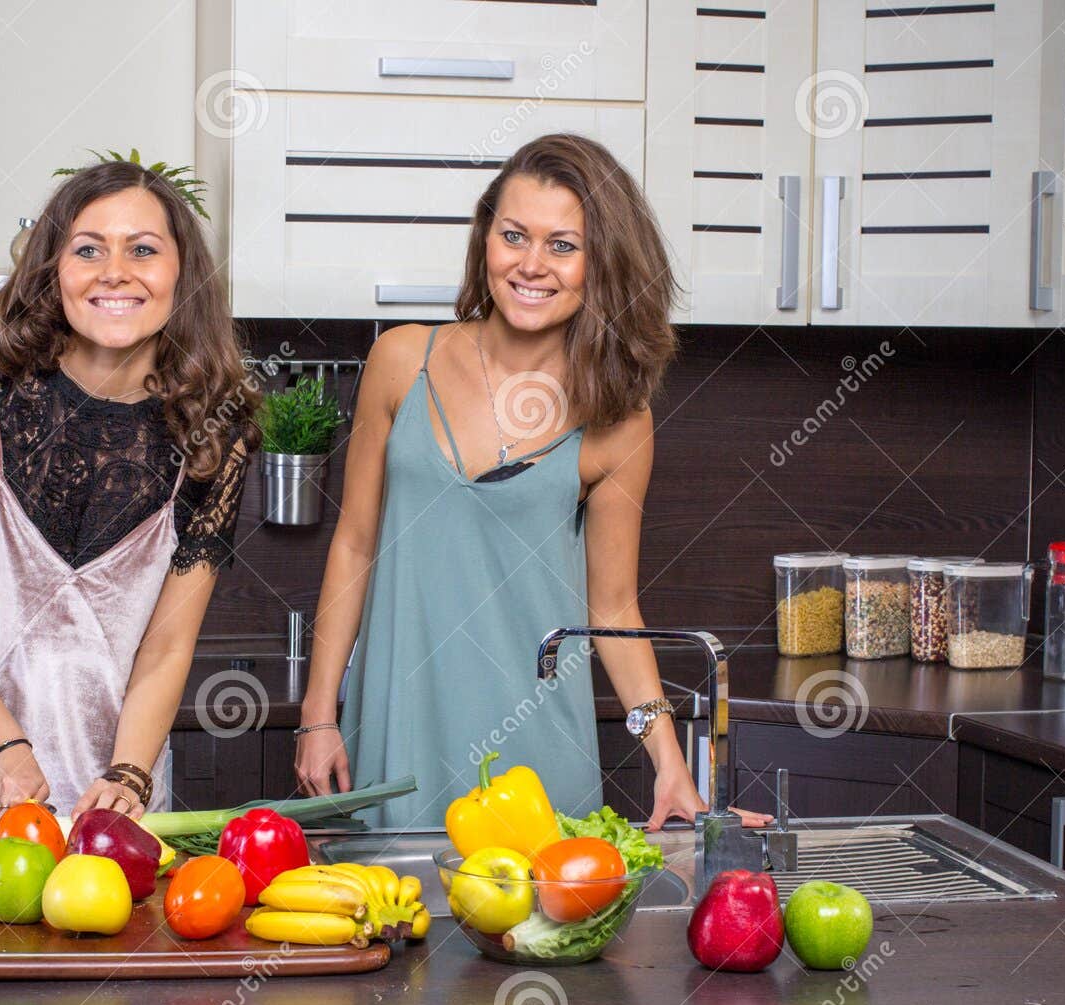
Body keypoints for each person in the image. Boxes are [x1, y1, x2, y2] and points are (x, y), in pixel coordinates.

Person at [295, 133, 770, 832]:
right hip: (397, 734)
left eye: (563, 245)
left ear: (600, 265)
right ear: (485, 238)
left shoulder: (618, 420)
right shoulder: (401, 362)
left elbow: (612, 609)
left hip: (537, 760)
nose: (531, 265)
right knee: (396, 929)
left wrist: (669, 760)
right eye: (514, 235)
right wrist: (316, 715)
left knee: (532, 935)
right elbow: (354, 545)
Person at [0, 160, 256, 828]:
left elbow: (167, 646)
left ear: (182, 273)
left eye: (143, 249)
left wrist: (128, 775)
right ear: (53, 270)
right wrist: (7, 746)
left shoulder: (213, 440)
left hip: (114, 784)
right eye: (88, 249)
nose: (114, 271)